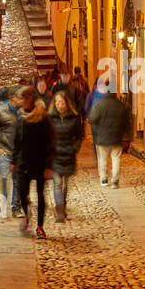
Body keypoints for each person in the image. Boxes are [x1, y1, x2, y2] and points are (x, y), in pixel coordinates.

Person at [11, 87, 55, 238]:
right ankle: (27, 214)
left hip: (40, 162)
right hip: (24, 162)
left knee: (41, 195)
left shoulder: (43, 117)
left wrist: (49, 165)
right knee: (23, 193)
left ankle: (40, 227)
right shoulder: (21, 117)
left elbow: (50, 142)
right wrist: (13, 161)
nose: (20, 101)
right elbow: (17, 140)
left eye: (23, 98)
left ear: (30, 99)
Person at [48, 91, 84, 221]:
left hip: (69, 154)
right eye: (57, 102)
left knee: (65, 185)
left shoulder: (74, 118)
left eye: (61, 102)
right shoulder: (50, 118)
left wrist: (75, 148)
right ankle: (60, 211)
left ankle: (63, 206)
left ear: (67, 103)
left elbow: (80, 136)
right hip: (56, 155)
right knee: (57, 183)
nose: (59, 105)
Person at [88, 87, 132, 187]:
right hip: (116, 138)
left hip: (102, 138)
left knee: (102, 159)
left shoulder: (99, 104)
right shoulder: (121, 105)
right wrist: (125, 135)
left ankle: (103, 179)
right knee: (116, 159)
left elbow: (92, 119)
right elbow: (126, 123)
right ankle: (115, 181)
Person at [0, 86, 23, 216]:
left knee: (17, 181)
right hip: (4, 150)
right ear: (12, 98)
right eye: (20, 97)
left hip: (18, 152)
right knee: (3, 179)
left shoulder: (23, 112)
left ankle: (16, 207)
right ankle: (3, 206)